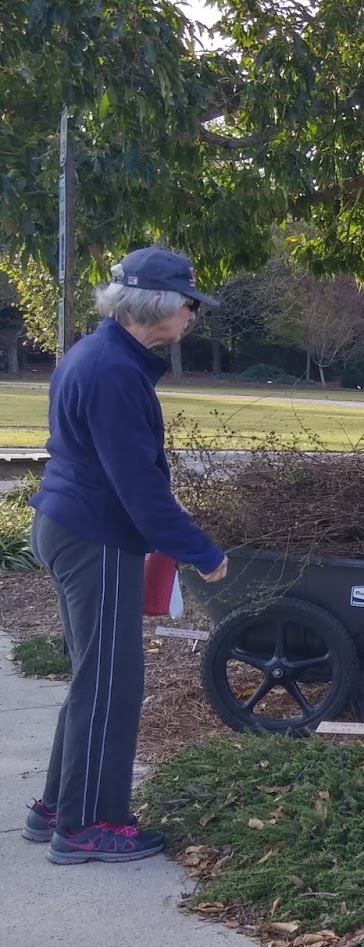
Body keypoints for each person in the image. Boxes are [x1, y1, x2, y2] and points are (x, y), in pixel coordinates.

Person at [24, 246, 230, 865]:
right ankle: (87, 826)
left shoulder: (100, 353)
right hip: (96, 538)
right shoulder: (114, 371)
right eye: (189, 305)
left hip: (70, 525)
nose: (193, 316)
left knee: (96, 674)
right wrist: (198, 549)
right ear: (158, 309)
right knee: (113, 682)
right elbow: (136, 485)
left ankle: (59, 806)